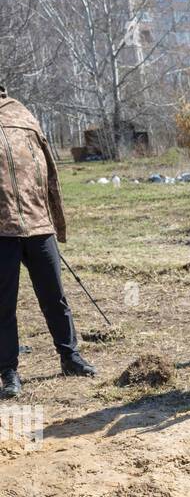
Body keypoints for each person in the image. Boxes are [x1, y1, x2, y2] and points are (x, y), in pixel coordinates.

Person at [0, 86, 96, 399]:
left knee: (55, 294)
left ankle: (70, 356)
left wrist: (56, 219)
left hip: (38, 222)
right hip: (2, 228)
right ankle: (8, 372)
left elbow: (49, 169)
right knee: (3, 305)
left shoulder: (21, 112)